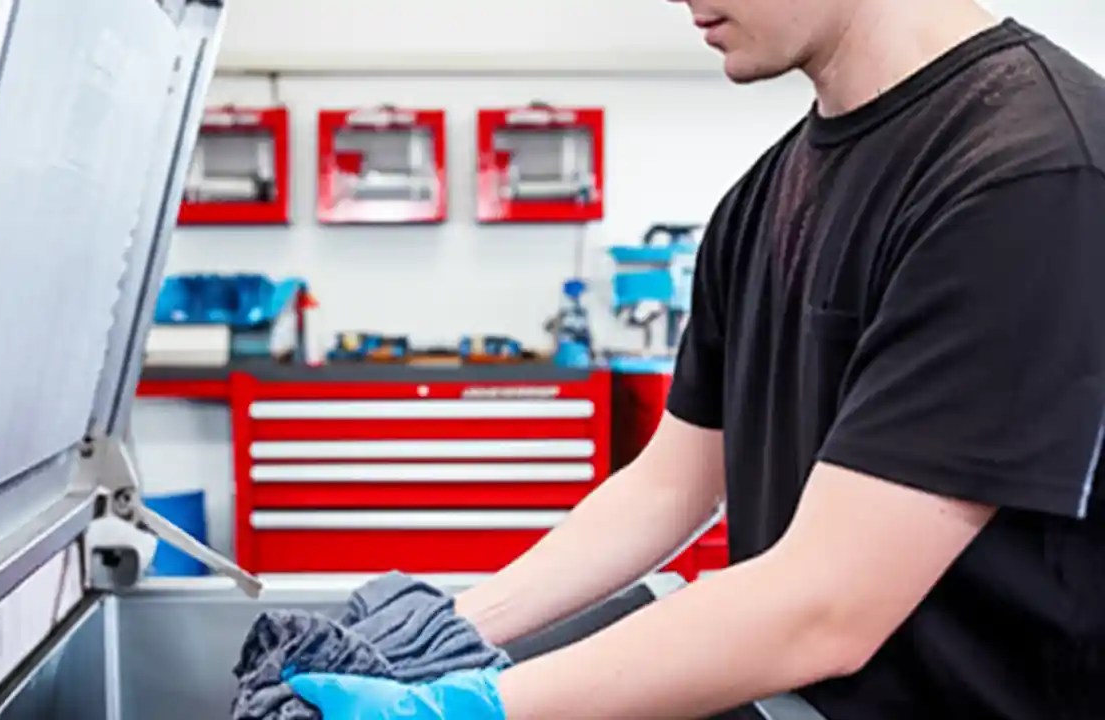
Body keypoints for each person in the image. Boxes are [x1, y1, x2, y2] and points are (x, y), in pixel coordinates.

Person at [287, 0, 1105, 717]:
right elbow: (668, 487)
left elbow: (829, 606)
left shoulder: (1032, 176)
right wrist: (444, 632)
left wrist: (476, 709)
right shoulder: (766, 193)